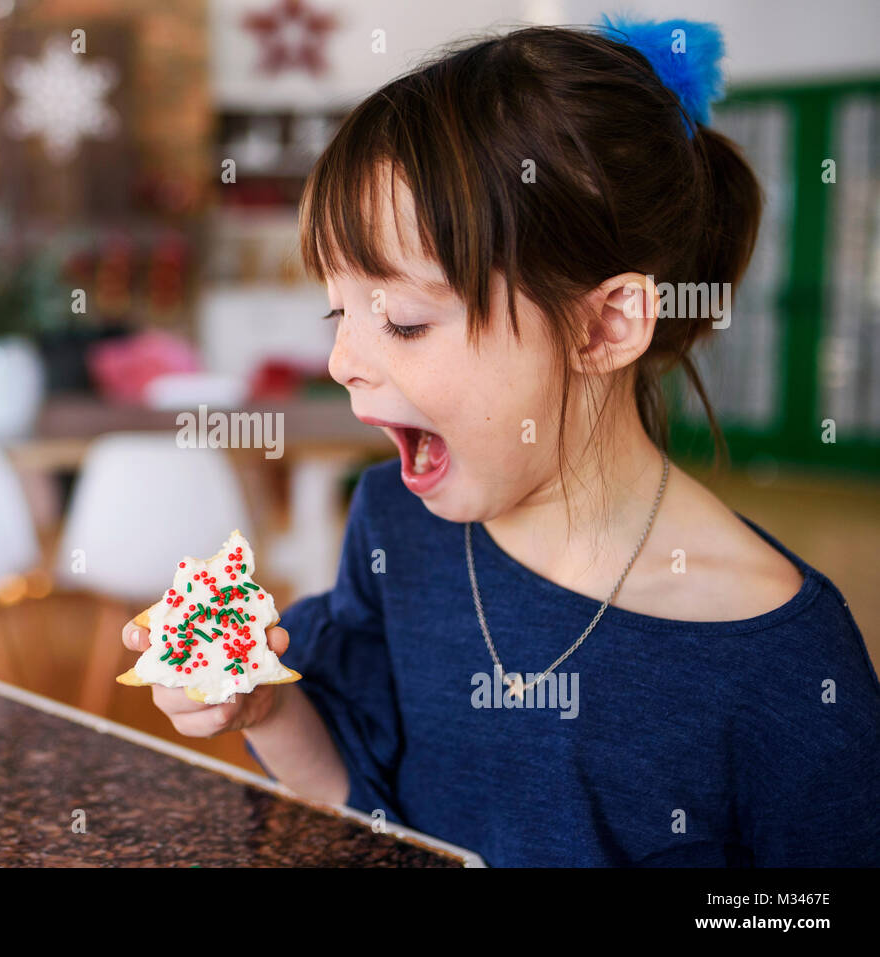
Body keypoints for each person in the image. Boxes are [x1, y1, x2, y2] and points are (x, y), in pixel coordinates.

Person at [122, 20, 880, 866]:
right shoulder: (395, 526)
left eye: (404, 322)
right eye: (341, 313)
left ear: (606, 324)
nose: (342, 361)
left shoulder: (785, 660)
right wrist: (258, 705)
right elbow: (362, 803)